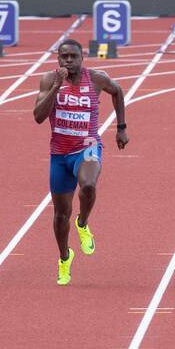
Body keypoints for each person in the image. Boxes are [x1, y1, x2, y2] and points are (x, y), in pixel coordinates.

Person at [32, 39, 127, 286]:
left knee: (88, 185)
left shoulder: (96, 79)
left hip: (87, 146)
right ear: (58, 59)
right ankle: (65, 258)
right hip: (59, 154)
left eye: (73, 56)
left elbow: (117, 91)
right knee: (60, 215)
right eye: (64, 57)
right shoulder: (48, 80)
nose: (69, 61)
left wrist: (121, 128)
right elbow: (38, 117)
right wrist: (56, 87)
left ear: (82, 58)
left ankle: (83, 223)